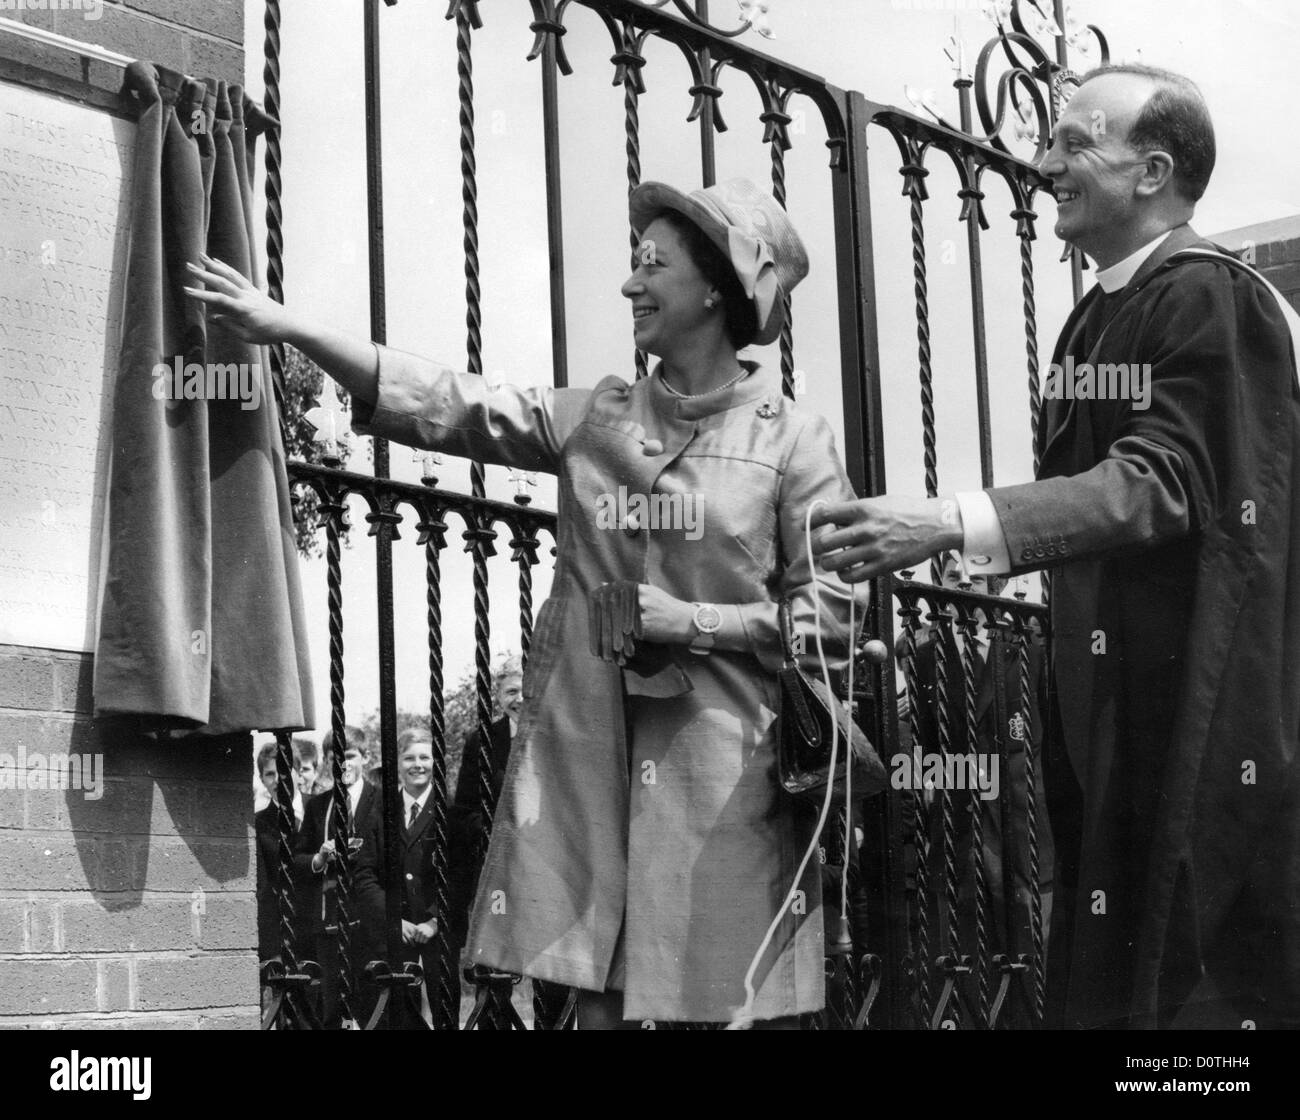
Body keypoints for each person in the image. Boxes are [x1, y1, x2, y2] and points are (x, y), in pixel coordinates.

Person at [186, 176, 867, 1028]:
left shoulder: (794, 441)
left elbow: (831, 628)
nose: (630, 284)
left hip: (729, 805)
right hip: (595, 800)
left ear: (718, 289)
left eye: (653, 264)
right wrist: (292, 327)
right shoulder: (599, 418)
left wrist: (690, 623)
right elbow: (451, 404)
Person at [811, 64, 1300, 1029]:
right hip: (1114, 713)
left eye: (1077, 144)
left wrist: (954, 520)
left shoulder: (1212, 297)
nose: (1045, 164)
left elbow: (1165, 479)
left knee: (1202, 993)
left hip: (1210, 713)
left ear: (1154, 170)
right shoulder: (1090, 322)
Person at [447, 658, 523, 1012]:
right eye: (511, 691)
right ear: (498, 695)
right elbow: (463, 810)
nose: (520, 698)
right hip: (497, 866)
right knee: (497, 968)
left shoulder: (559, 731)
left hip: (550, 865)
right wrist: (498, 829)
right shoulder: (482, 740)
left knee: (553, 974)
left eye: (527, 689)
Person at [353, 728, 441, 1028]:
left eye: (424, 757)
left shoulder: (449, 809)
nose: (417, 764)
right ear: (397, 765)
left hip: (436, 937)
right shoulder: (379, 809)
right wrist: (392, 919)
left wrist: (434, 921)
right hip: (390, 939)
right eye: (408, 758)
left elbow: (460, 874)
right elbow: (363, 874)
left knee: (441, 1015)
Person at [293, 725, 377, 1027]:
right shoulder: (318, 806)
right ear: (328, 761)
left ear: (365, 758)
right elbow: (296, 860)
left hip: (369, 923)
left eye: (351, 755)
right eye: (335, 756)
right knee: (331, 1009)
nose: (344, 762)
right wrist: (318, 858)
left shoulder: (381, 801)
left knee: (371, 1005)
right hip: (329, 922)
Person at [254, 742, 305, 964]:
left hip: (323, 930)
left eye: (284, 771)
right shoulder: (258, 824)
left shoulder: (322, 809)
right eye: (270, 774)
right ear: (262, 779)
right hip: (283, 933)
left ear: (298, 772)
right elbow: (264, 888)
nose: (277, 780)